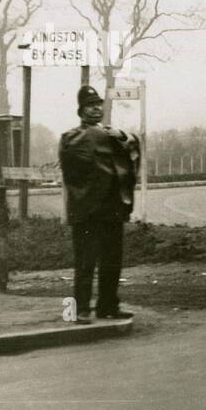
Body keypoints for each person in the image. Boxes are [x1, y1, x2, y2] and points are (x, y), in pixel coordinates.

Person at [59, 85, 140, 322]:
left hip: (112, 208)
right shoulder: (73, 137)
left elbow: (133, 150)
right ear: (81, 110)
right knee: (85, 261)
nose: (96, 109)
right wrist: (113, 136)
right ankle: (81, 309)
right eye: (90, 105)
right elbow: (73, 165)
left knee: (112, 261)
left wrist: (123, 137)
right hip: (86, 210)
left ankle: (108, 306)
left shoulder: (113, 135)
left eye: (98, 104)